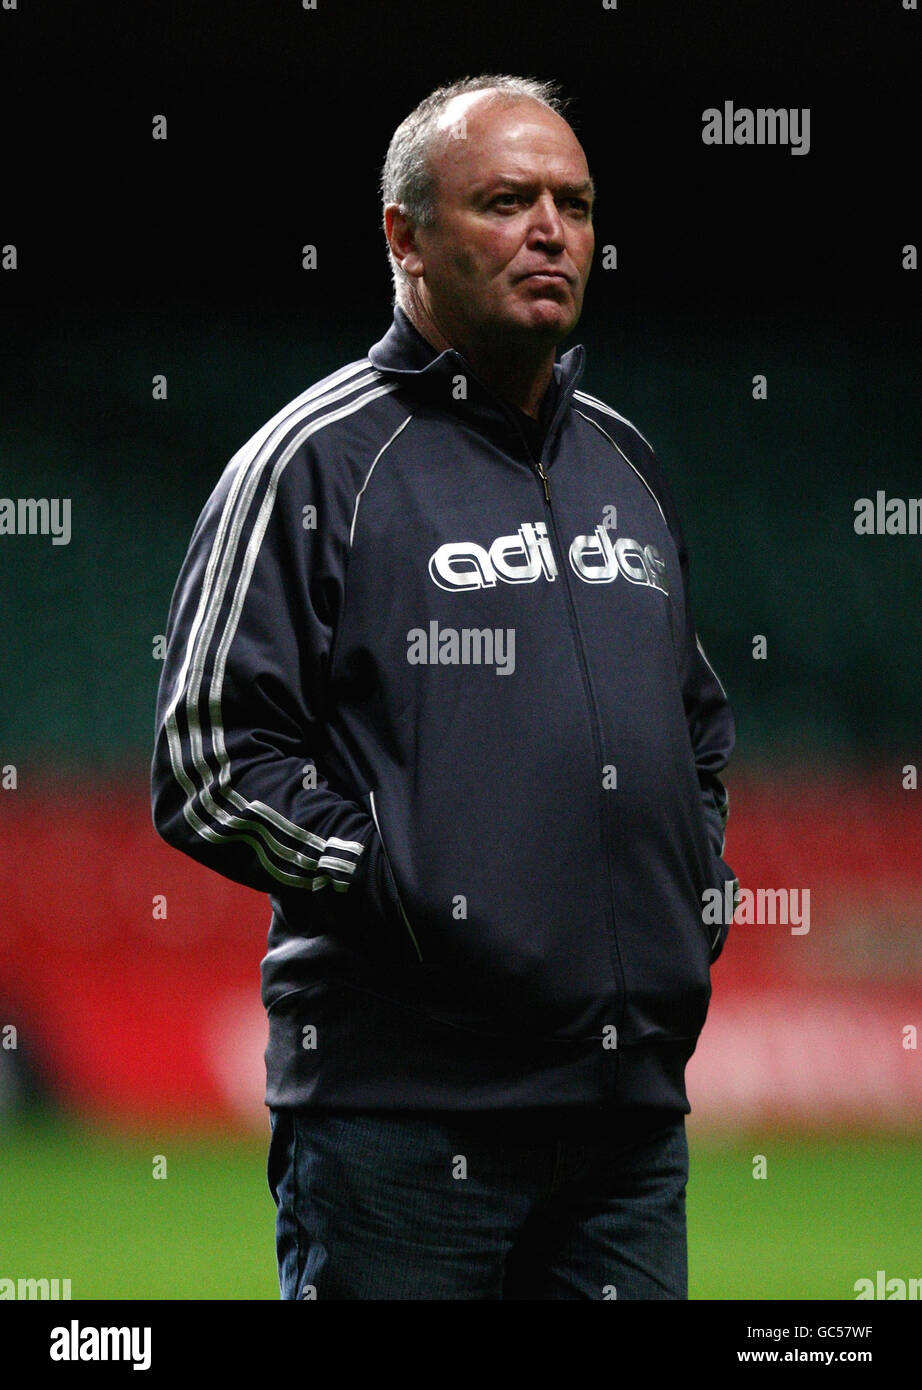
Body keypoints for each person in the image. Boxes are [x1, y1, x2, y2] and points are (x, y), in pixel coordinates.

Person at [151, 73, 738, 1301]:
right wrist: (424, 900)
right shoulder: (309, 463)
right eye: (506, 200)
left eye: (573, 204)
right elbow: (209, 762)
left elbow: (694, 728)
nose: (550, 231)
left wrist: (692, 897)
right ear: (403, 235)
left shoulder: (624, 461)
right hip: (404, 1129)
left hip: (626, 1127)